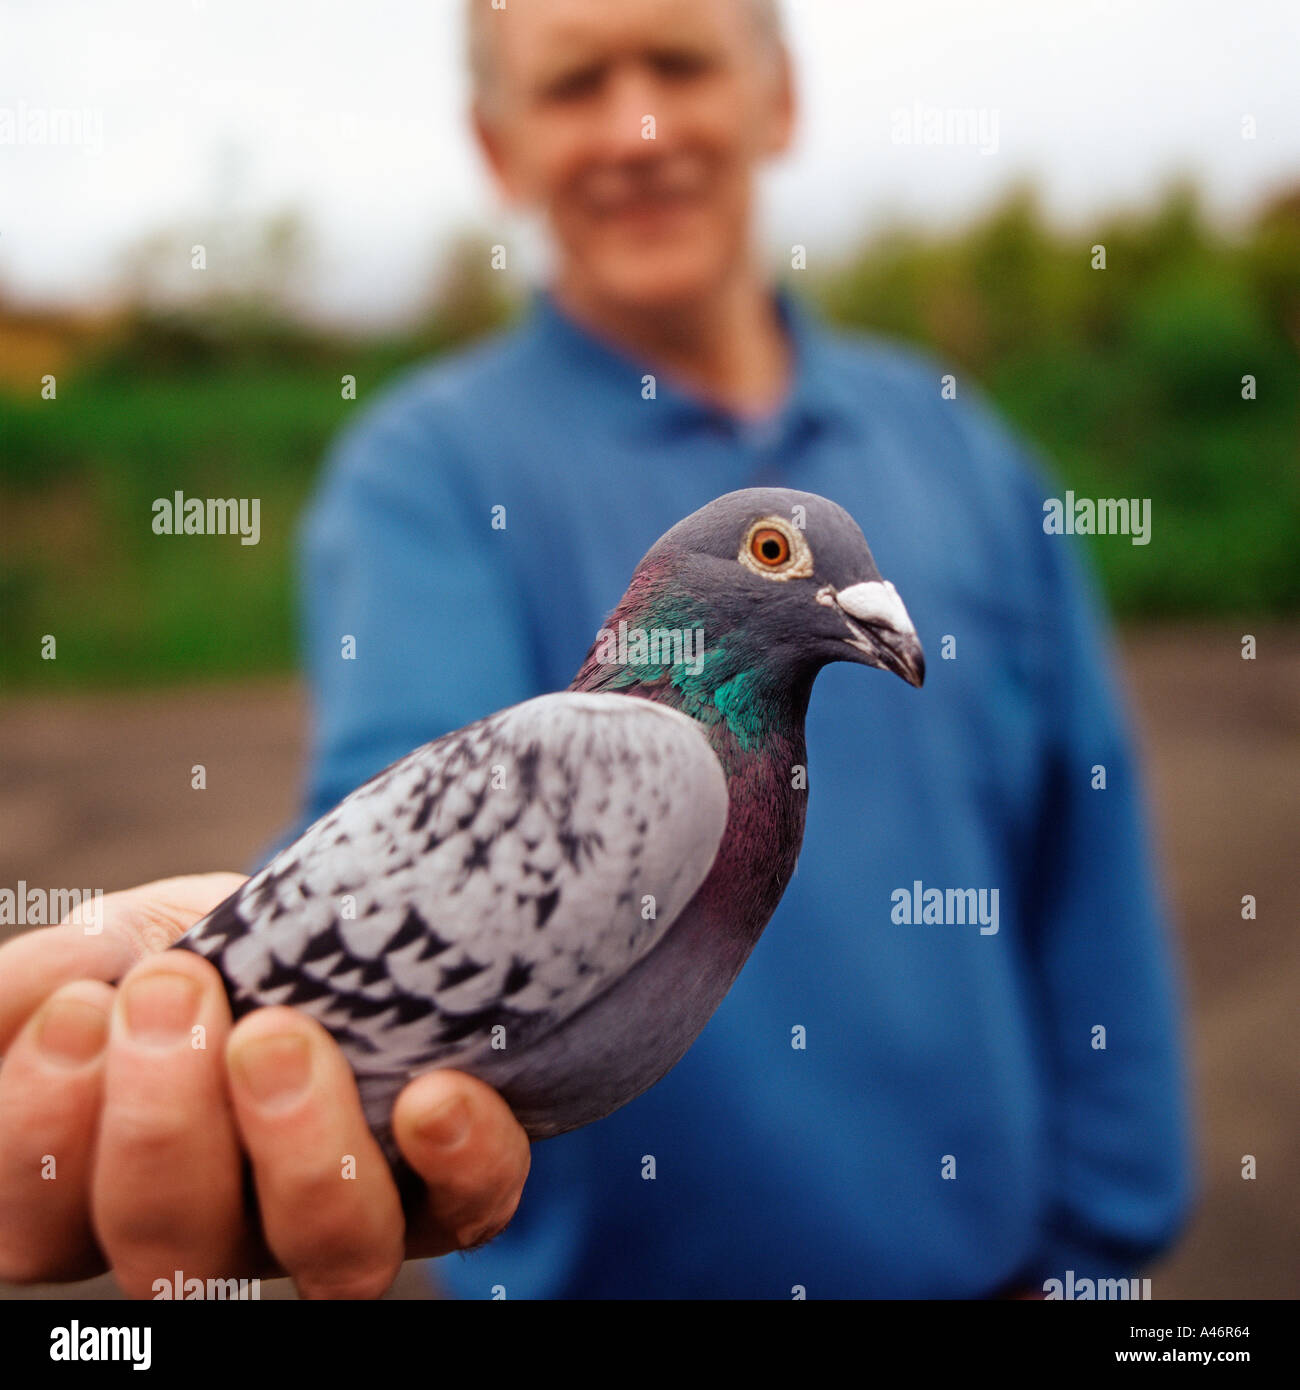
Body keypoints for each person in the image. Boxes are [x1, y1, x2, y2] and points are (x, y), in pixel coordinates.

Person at [0, 0, 1190, 1298]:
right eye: (575, 85)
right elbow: (418, 791)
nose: (637, 127)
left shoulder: (965, 444)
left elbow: (1093, 857)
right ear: (498, 146)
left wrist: (1101, 1258)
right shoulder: (429, 473)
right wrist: (209, 972)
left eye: (679, 64)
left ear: (776, 100)